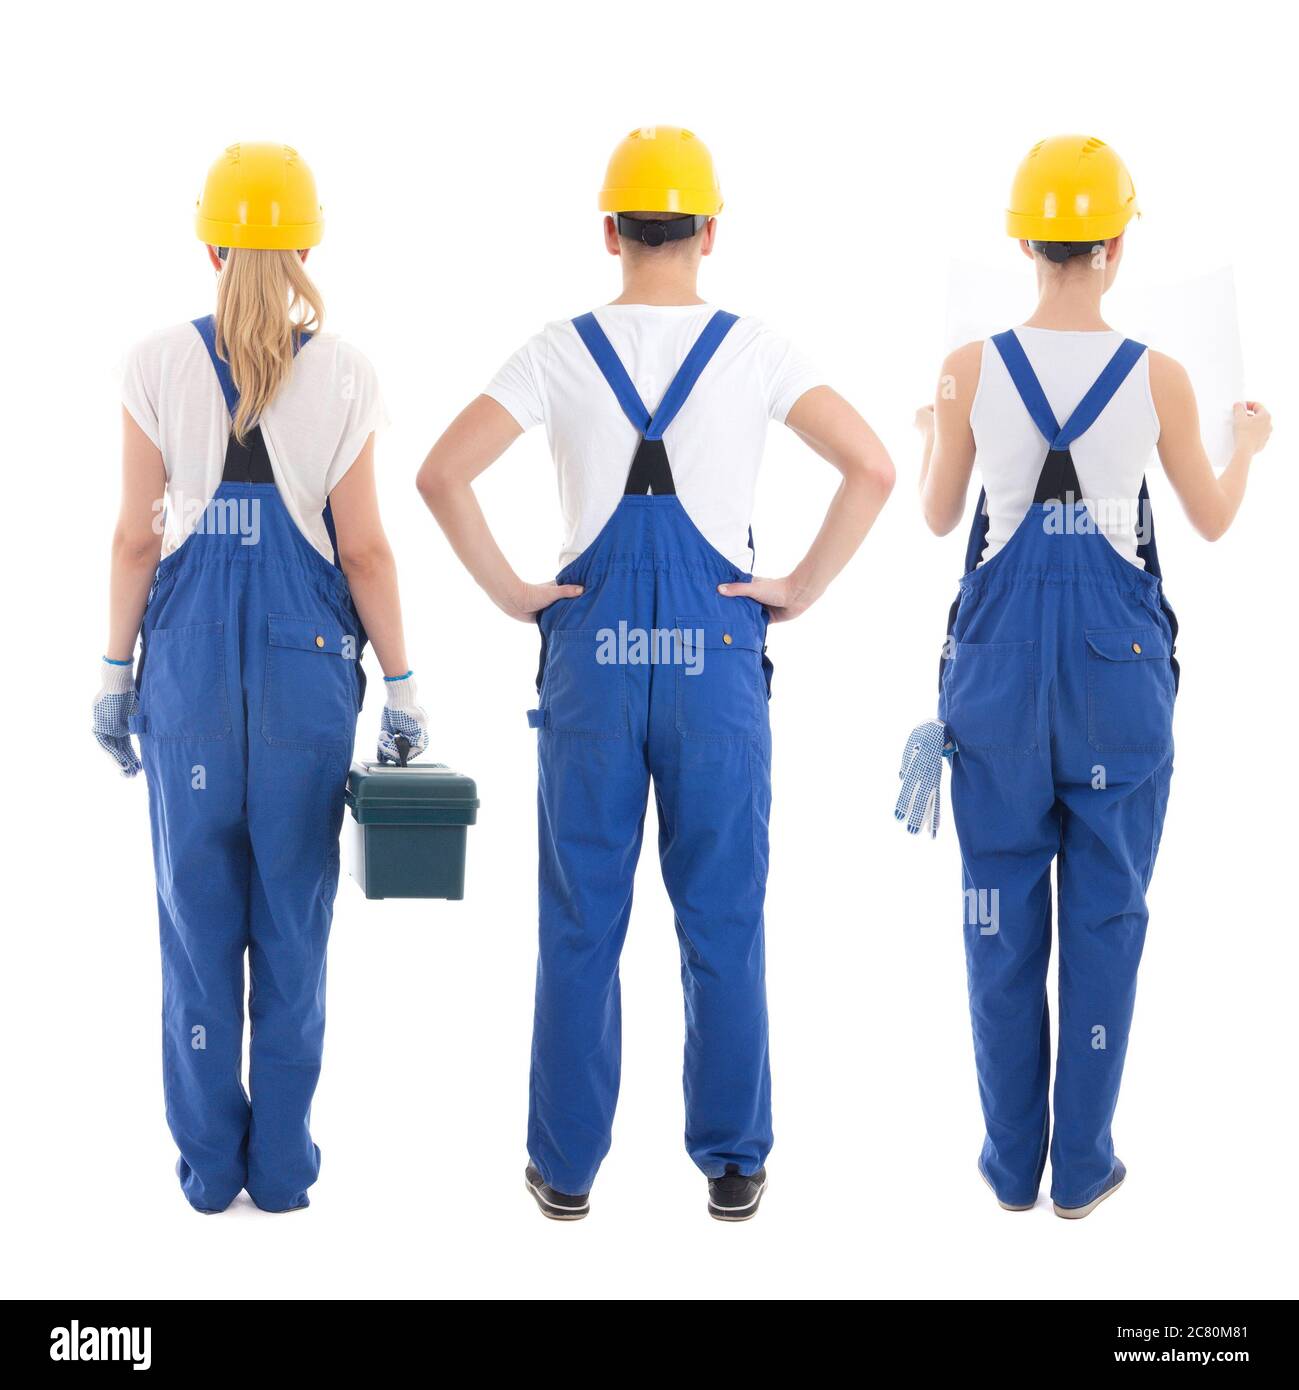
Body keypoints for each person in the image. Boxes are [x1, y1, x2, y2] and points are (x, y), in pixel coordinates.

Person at [418, 125, 895, 1222]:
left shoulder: (556, 349)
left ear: (609, 232)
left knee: (582, 914)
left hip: (590, 657)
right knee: (722, 914)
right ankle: (733, 1164)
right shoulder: (757, 348)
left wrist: (510, 592)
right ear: (711, 233)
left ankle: (567, 1168)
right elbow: (873, 465)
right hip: (716, 660)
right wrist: (801, 586)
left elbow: (440, 473)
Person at [914, 134, 1272, 1218]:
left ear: (1026, 242)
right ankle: (1082, 1171)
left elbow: (940, 517)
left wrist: (937, 428)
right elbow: (1207, 521)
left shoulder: (968, 368)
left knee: (998, 917)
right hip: (1117, 682)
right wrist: (1247, 443)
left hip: (1000, 683)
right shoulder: (1159, 374)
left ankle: (1011, 1165)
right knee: (1108, 916)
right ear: (1114, 247)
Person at [92, 142, 431, 1213]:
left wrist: (112, 673)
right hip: (304, 689)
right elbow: (366, 550)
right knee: (293, 926)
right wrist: (408, 687)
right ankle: (281, 1171)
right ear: (303, 251)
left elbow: (136, 542)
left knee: (197, 936)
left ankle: (207, 1173)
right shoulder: (345, 373)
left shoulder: (153, 364)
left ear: (211, 245)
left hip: (185, 686)